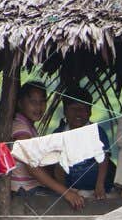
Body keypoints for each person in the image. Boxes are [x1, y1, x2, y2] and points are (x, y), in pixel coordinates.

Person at [7, 82, 87, 212]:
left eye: (42, 102)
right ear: (20, 103)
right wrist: (66, 192)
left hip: (31, 188)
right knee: (73, 205)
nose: (38, 107)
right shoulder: (20, 129)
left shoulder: (28, 126)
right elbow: (33, 168)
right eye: (33, 102)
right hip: (24, 192)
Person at [57, 95, 110, 201]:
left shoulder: (97, 132)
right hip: (70, 190)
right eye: (73, 109)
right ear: (65, 111)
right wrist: (64, 191)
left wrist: (100, 185)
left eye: (83, 109)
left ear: (90, 111)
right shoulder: (59, 134)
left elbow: (104, 160)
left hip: (95, 191)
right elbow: (57, 166)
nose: (78, 113)